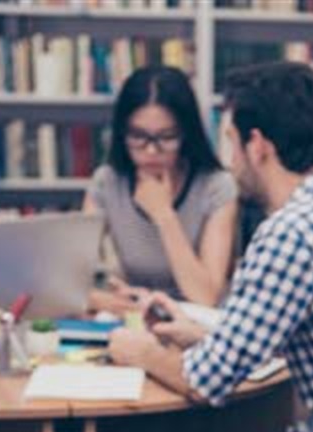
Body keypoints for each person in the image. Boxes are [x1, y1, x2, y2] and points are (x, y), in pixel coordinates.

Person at [108, 62, 313, 432]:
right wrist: (201, 332)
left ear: (257, 144)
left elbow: (204, 382)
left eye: (232, 141)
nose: (231, 159)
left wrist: (138, 350)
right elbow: (310, 329)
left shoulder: (287, 232)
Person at [84, 65, 238, 310]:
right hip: (133, 320)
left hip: (194, 327)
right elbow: (72, 287)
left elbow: (206, 296)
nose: (151, 151)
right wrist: (123, 304)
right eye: (138, 136)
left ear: (186, 134)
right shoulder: (108, 182)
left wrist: (164, 215)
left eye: (166, 137)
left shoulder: (216, 186)